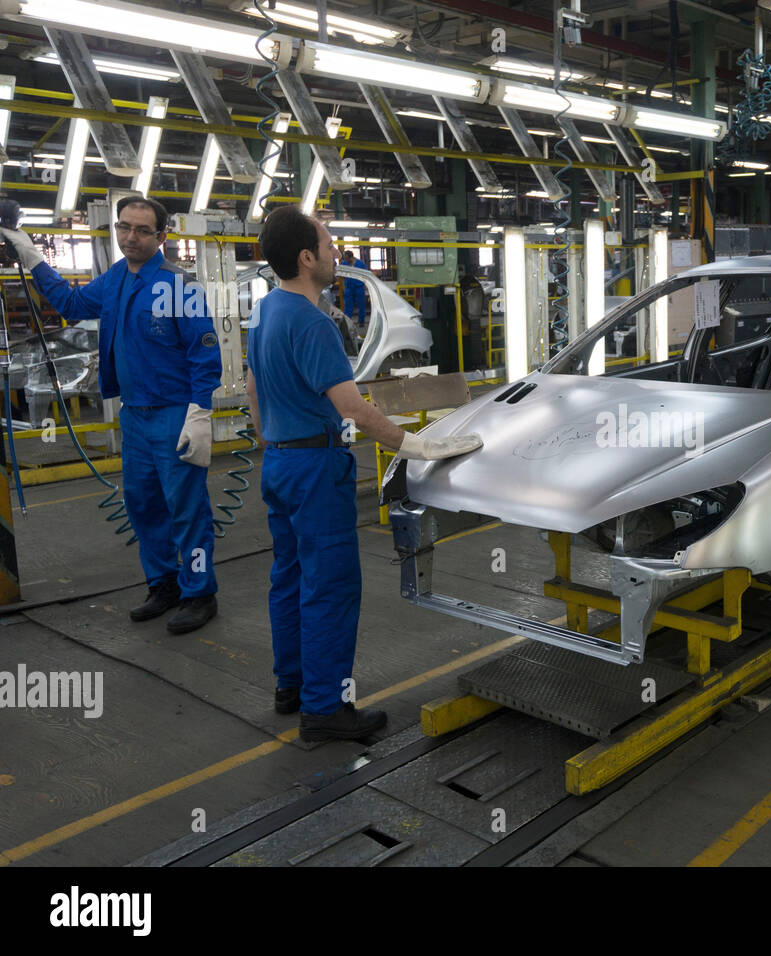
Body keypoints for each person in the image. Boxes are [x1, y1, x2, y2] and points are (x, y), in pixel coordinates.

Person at [246, 208, 482, 740]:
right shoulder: (312, 321)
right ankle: (325, 710)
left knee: (288, 576)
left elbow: (254, 386)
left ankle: (292, 686)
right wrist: (416, 444)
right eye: (329, 246)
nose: (336, 255)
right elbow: (351, 407)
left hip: (280, 463)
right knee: (329, 585)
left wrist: (270, 435)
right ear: (306, 258)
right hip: (314, 468)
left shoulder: (264, 312)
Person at [1, 197, 222, 633]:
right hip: (135, 417)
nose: (130, 237)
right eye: (124, 227)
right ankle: (164, 584)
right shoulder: (115, 280)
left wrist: (199, 414)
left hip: (175, 413)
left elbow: (204, 353)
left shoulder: (180, 286)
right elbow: (71, 303)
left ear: (161, 237)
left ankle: (200, 592)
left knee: (187, 509)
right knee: (143, 505)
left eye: (142, 230)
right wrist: (32, 259)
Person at [340, 249, 369, 327]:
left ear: (351, 257)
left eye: (347, 259)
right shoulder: (344, 263)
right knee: (348, 306)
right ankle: (347, 322)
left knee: (361, 305)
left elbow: (366, 275)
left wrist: (366, 286)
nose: (346, 261)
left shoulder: (360, 264)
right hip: (349, 288)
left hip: (358, 287)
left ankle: (361, 322)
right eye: (344, 259)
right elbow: (341, 274)